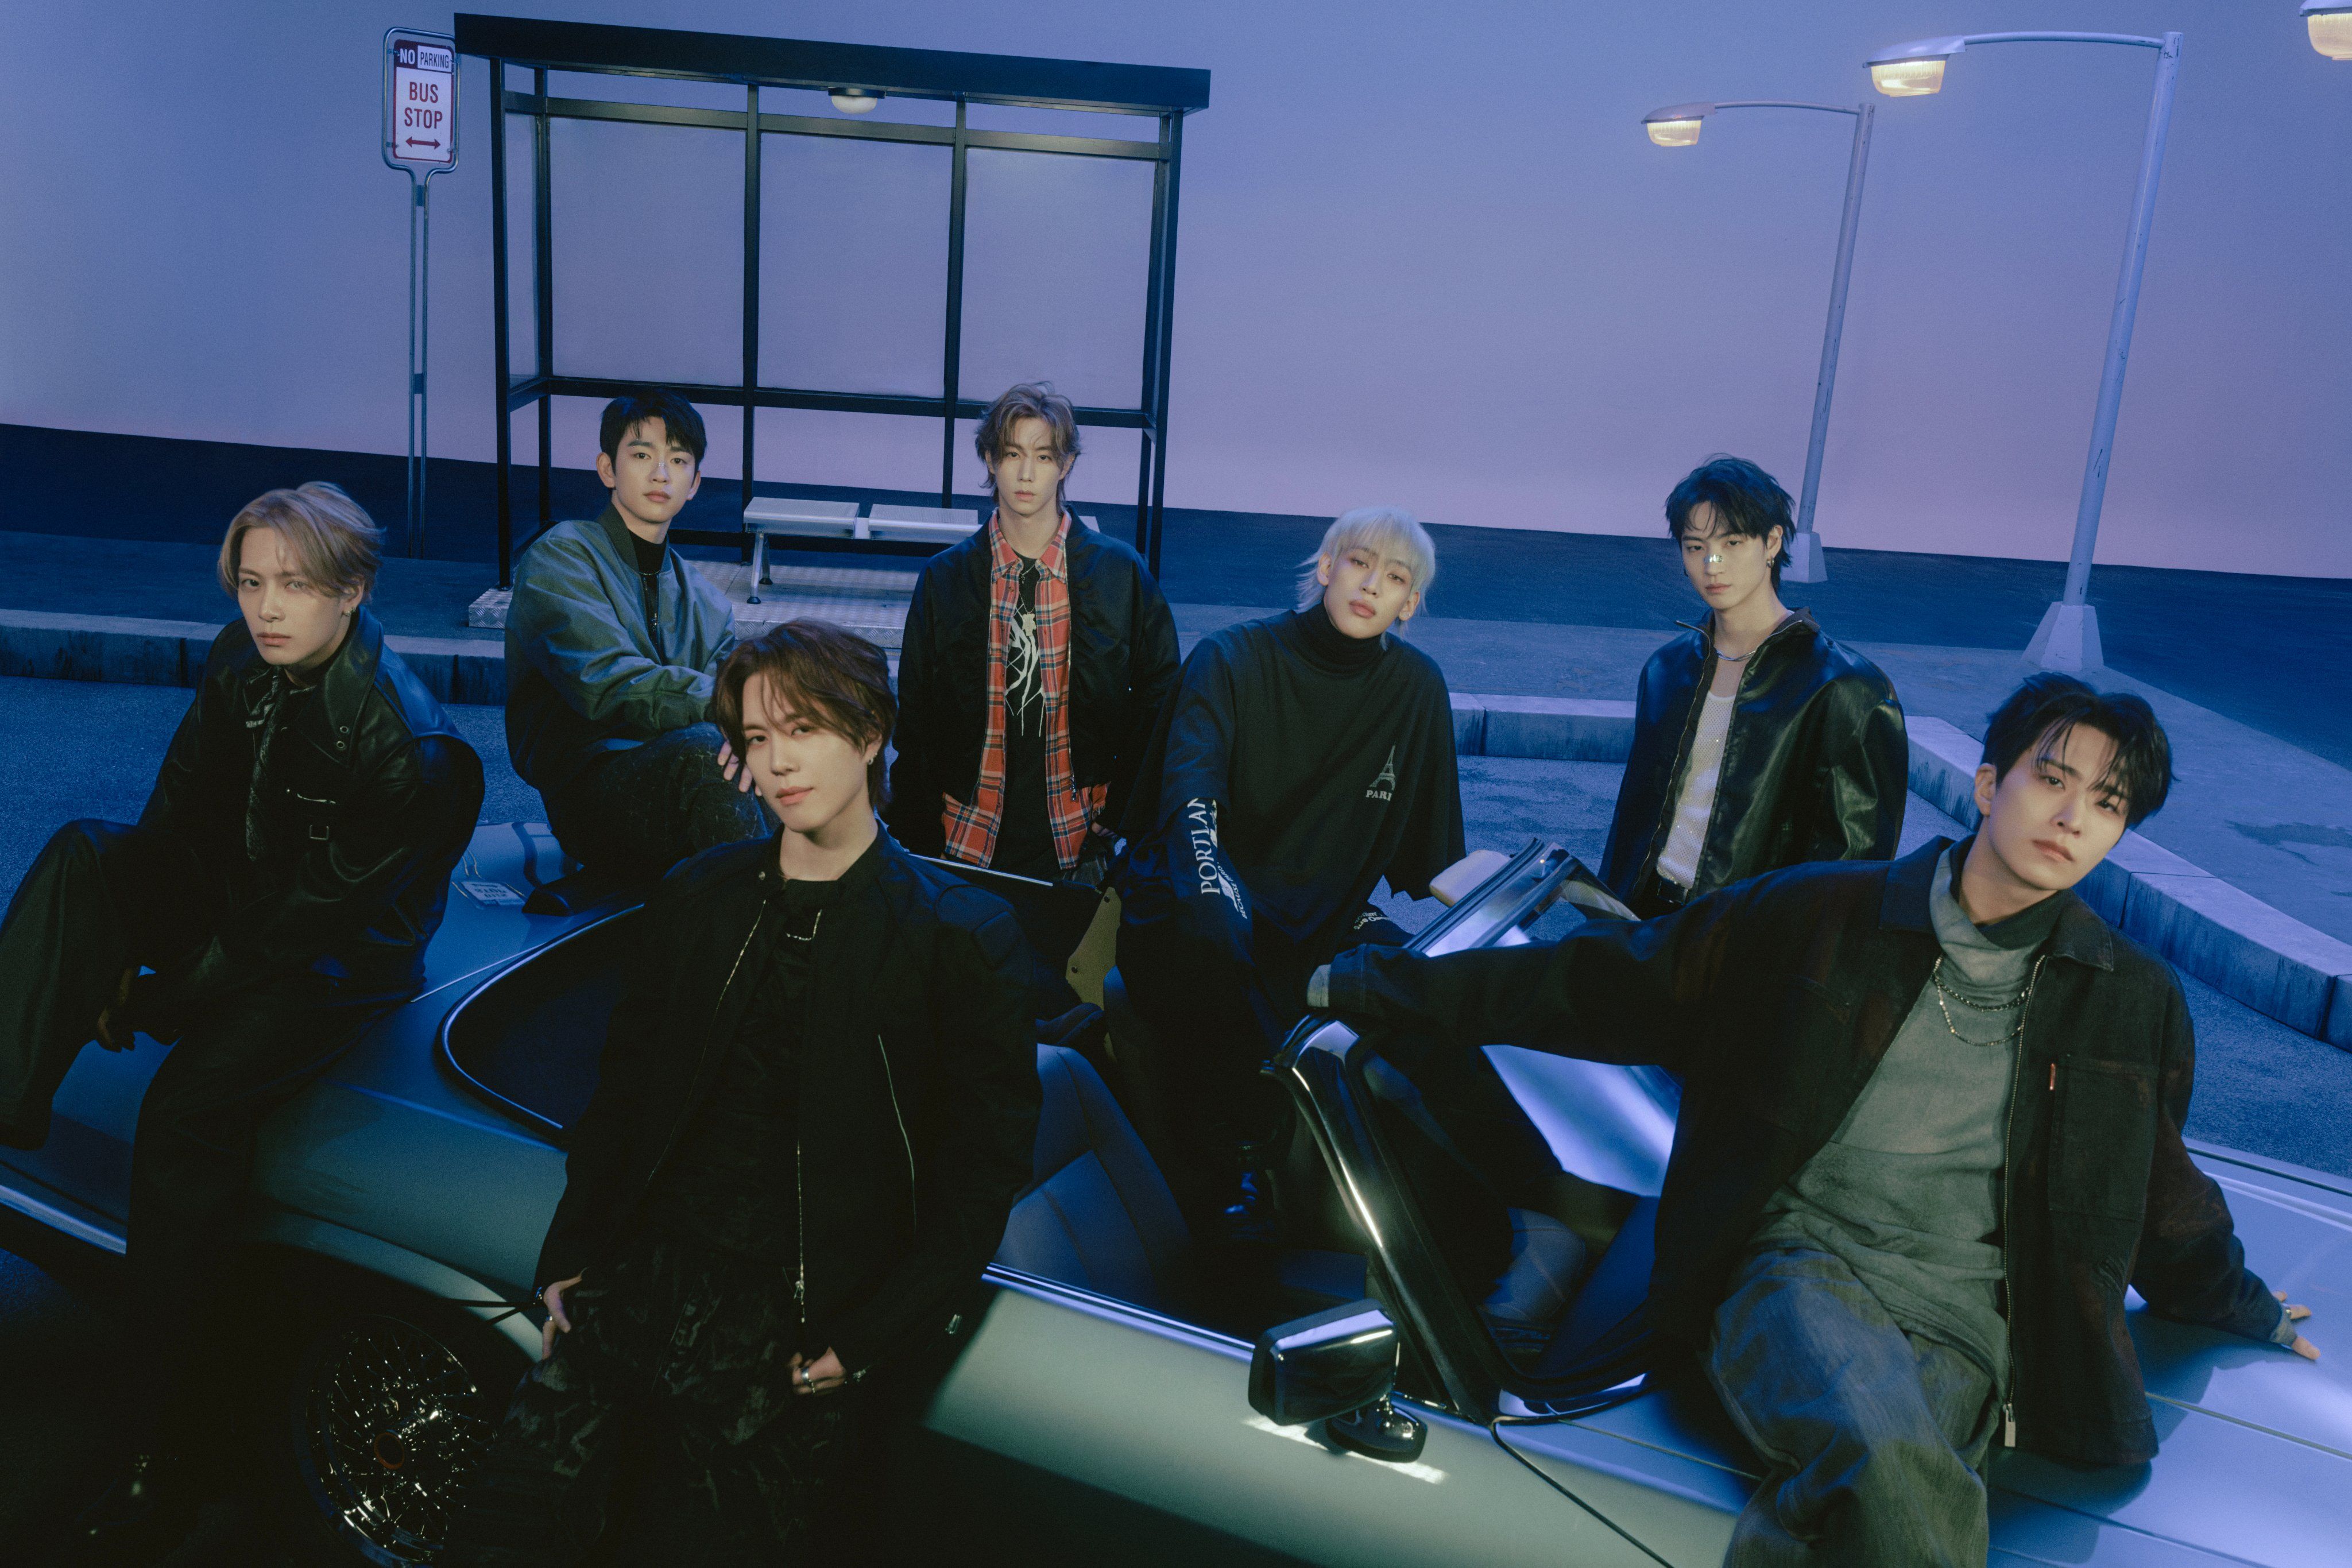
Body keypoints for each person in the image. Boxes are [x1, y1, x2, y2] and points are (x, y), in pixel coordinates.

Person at [1315, 673, 2318, 1567]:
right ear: (1987, 785)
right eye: (2052, 779)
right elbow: (1602, 981)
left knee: (1887, 1495)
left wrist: (2238, 1300)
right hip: (1797, 1263)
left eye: (2106, 803)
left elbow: (2148, 1179)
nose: (2072, 818)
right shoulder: (1816, 916)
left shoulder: (2127, 995)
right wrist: (1372, 984)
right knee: (1887, 1460)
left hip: (1968, 1309)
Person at [446, 621, 1041, 1567]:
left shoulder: (961, 936)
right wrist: (572, 1250)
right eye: (758, 738)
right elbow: (624, 1094)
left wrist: (865, 1339)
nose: (777, 762)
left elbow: (981, 1173)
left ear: (871, 733)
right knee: (508, 1535)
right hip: (639, 1293)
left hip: (790, 1332)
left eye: (803, 729)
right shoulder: (698, 894)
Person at [0, 484, 485, 1557]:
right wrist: (123, 939)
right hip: (245, 897)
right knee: (86, 853)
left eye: (296, 586)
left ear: (354, 591)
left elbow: (292, 933)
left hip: (340, 961)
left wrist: (151, 998)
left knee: (185, 1118)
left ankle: (165, 1458)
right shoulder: (239, 659)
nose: (267, 609)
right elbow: (176, 814)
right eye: (253, 582)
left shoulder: (409, 746)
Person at [1115, 507, 1464, 1231]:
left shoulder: (1417, 687)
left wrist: (1502, 944)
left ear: (1410, 603)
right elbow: (1188, 800)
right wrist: (1217, 900)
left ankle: (1425, 1208)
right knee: (1219, 951)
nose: (1372, 585)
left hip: (1323, 906)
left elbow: (1437, 859)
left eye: (1395, 577)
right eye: (1359, 562)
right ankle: (1238, 1176)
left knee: (1430, 997)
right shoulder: (1232, 656)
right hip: (1200, 889)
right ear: (1327, 566)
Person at [887, 382, 1179, 889]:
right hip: (964, 838)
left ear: (1065, 465)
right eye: (1012, 454)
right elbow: (915, 715)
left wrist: (1123, 811)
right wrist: (916, 830)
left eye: (1043, 456)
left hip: (1078, 840)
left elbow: (1161, 697)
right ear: (989, 459)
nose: (1026, 474)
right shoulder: (945, 579)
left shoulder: (1120, 574)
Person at [1603, 457, 1906, 919]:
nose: (1712, 563)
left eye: (1732, 542)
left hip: (1744, 935)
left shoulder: (1846, 690)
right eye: (1696, 546)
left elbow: (1851, 873)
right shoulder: (1667, 670)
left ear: (1773, 542)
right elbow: (1632, 823)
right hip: (1642, 921)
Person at [505, 388, 767, 881]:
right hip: (592, 791)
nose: (661, 473)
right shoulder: (560, 556)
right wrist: (735, 706)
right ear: (608, 469)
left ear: (694, 483)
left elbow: (732, 702)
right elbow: (608, 682)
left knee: (792, 755)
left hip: (687, 766)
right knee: (712, 752)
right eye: (642, 455)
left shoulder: (706, 601)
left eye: (678, 460)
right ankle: (758, 919)